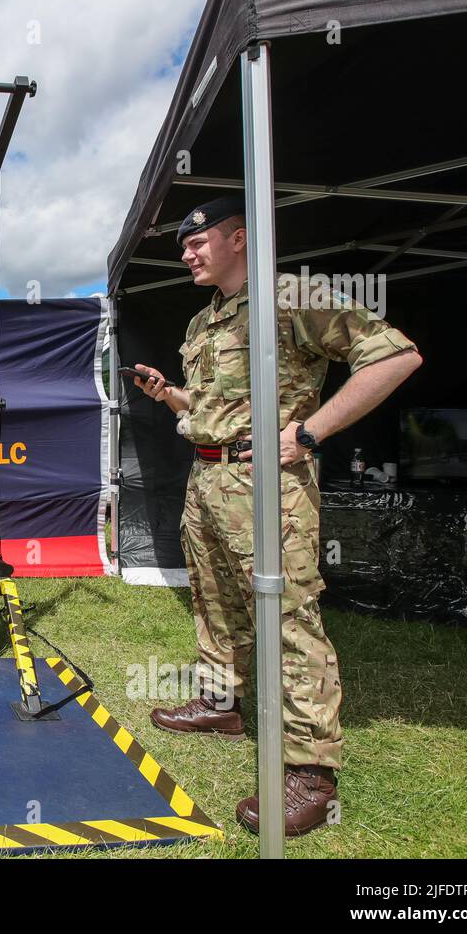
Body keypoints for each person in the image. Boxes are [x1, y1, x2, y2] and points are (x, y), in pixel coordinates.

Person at [132, 195, 422, 837]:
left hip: (268, 485)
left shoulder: (290, 298)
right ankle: (220, 704)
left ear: (238, 238)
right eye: (183, 247)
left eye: (197, 242)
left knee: (289, 618)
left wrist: (311, 433)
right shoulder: (204, 322)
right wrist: (170, 395)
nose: (187, 254)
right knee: (216, 599)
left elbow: (396, 356)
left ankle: (311, 774)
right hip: (209, 477)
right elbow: (212, 405)